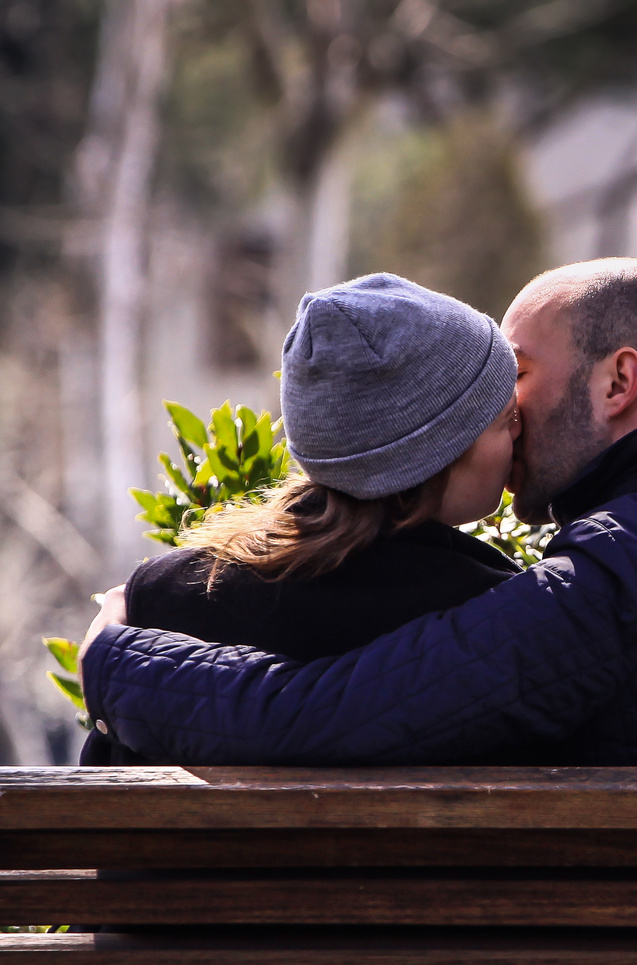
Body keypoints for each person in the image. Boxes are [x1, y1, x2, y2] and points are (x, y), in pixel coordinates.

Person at [79, 257, 637, 767]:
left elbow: (328, 715)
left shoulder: (617, 575)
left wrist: (116, 659)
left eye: (518, 372)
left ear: (619, 380)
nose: (508, 407)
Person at [81, 272, 522, 764]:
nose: (519, 432)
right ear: (438, 453)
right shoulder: (493, 613)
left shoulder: (167, 596)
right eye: (504, 419)